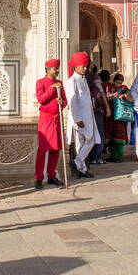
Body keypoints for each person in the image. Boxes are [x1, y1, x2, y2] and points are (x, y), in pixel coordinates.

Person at [65, 52, 99, 179]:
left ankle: (78, 164)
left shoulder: (83, 80)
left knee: (89, 140)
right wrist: (77, 118)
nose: (85, 68)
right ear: (75, 67)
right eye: (82, 66)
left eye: (86, 66)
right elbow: (73, 101)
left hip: (88, 116)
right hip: (79, 117)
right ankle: (80, 167)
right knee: (83, 142)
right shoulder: (72, 81)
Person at [33, 59, 66, 189]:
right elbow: (41, 99)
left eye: (57, 69)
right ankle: (39, 178)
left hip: (57, 117)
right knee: (43, 149)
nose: (57, 71)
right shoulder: (40, 82)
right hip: (46, 118)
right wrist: (51, 90)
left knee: (56, 149)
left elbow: (64, 101)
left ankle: (51, 175)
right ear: (48, 70)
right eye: (54, 69)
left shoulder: (60, 83)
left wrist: (61, 102)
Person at [107, 72, 132, 162]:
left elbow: (131, 99)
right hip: (112, 116)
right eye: (117, 82)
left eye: (120, 83)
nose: (118, 85)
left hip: (121, 117)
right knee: (112, 136)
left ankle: (120, 156)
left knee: (120, 136)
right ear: (113, 81)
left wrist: (124, 96)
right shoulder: (110, 89)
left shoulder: (124, 89)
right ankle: (113, 156)